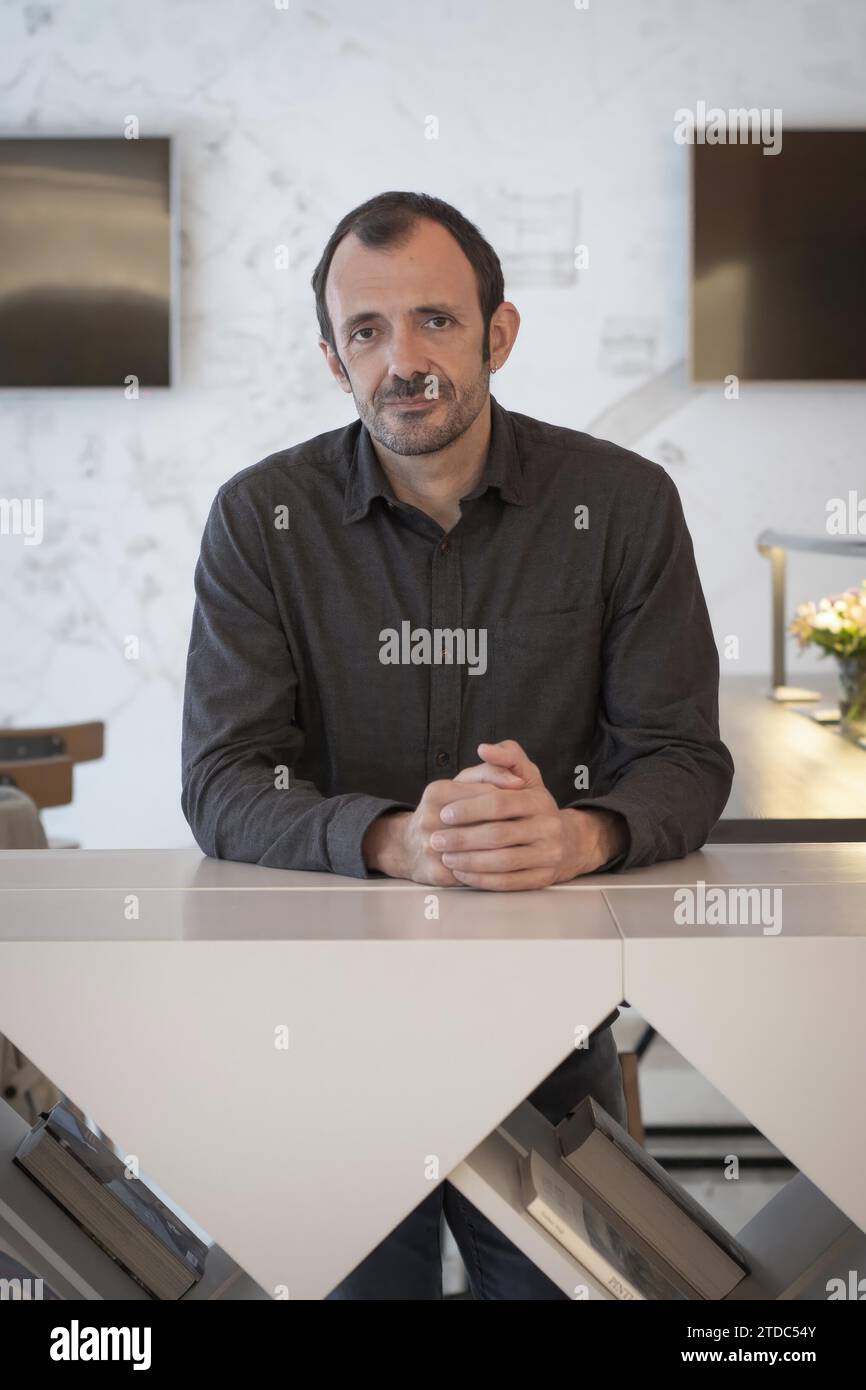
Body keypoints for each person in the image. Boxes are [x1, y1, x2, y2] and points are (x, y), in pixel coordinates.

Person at [181, 190, 734, 1299]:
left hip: (548, 1029)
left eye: (435, 320)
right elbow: (221, 778)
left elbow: (682, 756)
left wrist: (578, 836)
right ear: (333, 359)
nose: (404, 360)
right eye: (366, 331)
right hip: (324, 1030)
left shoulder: (622, 506)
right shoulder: (259, 520)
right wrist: (394, 841)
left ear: (499, 331)